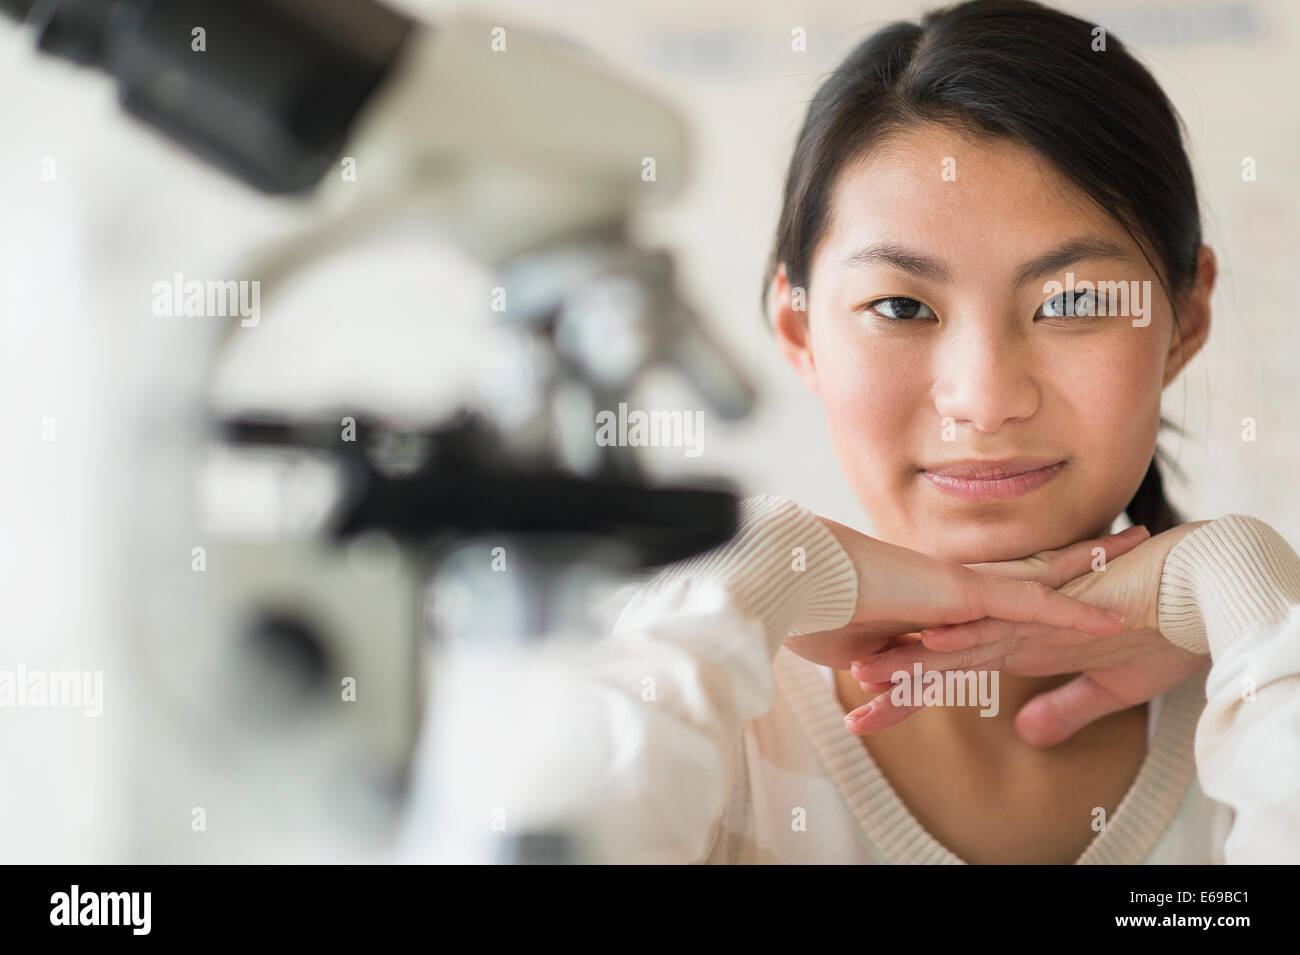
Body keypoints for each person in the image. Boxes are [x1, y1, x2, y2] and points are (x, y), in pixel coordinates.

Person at [500, 0, 1300, 864]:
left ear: (1184, 319)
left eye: (1071, 302)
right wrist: (746, 574)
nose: (985, 400)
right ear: (801, 330)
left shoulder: (1264, 715)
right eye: (900, 305)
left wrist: (1254, 596)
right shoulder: (701, 721)